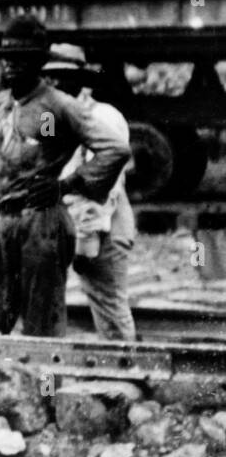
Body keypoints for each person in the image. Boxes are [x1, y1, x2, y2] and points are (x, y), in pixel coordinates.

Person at [0, 17, 131, 338]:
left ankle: (45, 387)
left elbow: (115, 149)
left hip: (42, 223)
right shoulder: (0, 104)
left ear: (38, 62)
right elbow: (3, 165)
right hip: (2, 220)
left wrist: (67, 184)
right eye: (7, 58)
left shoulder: (60, 106)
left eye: (22, 59)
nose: (12, 66)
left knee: (41, 321)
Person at [43, 44, 137, 341]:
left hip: (103, 227)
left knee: (108, 303)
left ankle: (126, 375)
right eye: (50, 78)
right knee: (100, 298)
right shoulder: (65, 118)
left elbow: (100, 187)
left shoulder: (100, 118)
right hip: (83, 225)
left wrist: (87, 242)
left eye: (61, 78)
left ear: (80, 81)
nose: (54, 85)